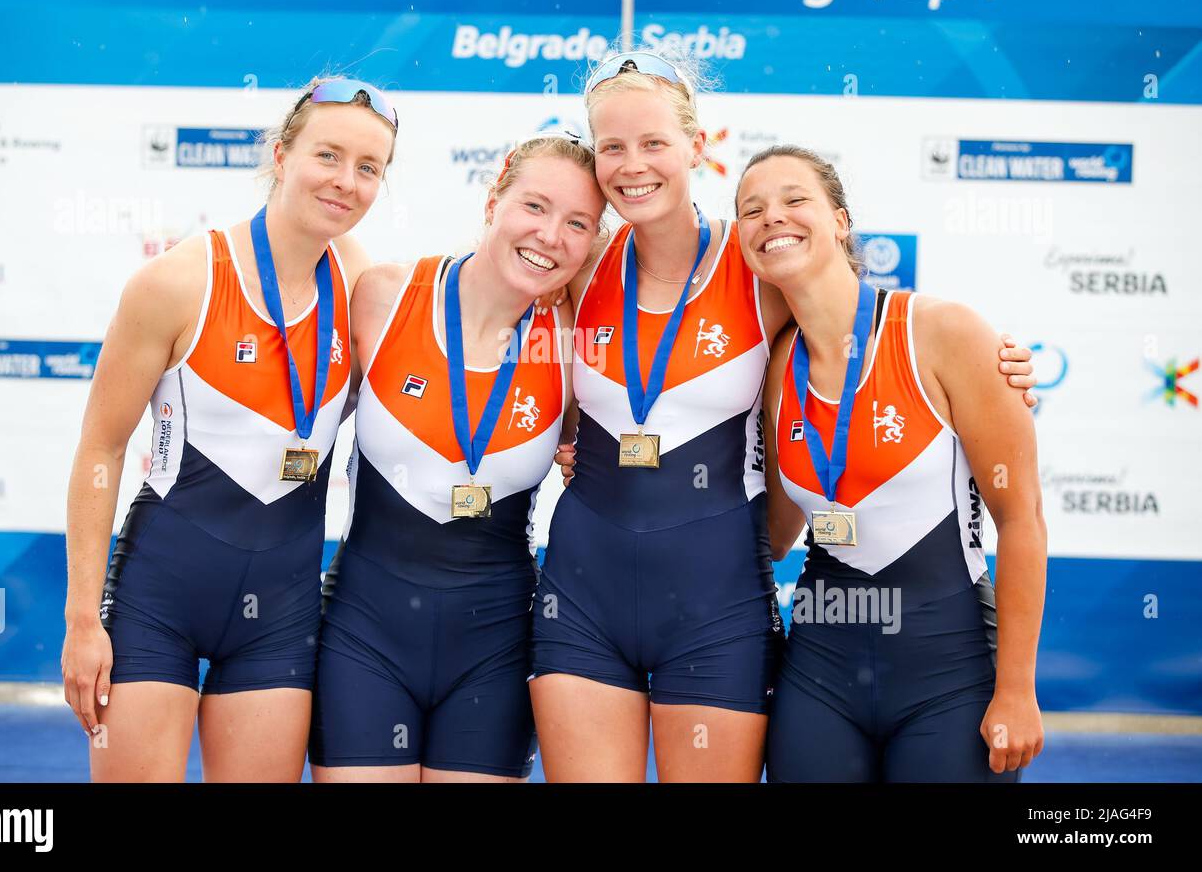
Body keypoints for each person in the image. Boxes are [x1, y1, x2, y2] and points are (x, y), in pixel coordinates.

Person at [533, 51, 1039, 782]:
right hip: (602, 597)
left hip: (737, 612)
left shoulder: (761, 274)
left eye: (652, 143)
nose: (632, 163)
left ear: (695, 147)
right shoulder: (582, 263)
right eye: (611, 145)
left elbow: (860, 336)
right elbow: (495, 338)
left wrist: (1001, 365)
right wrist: (565, 440)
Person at [61, 77, 396, 781]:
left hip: (281, 612)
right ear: (281, 153)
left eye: (369, 168)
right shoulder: (178, 282)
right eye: (328, 155)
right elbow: (101, 449)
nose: (346, 181)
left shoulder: (365, 289)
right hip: (160, 597)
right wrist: (82, 621)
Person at [738, 145, 1046, 781]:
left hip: (950, 673)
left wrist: (1017, 689)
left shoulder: (942, 332)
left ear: (841, 221)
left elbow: (1021, 521)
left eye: (795, 200)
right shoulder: (775, 367)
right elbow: (774, 534)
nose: (773, 217)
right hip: (819, 675)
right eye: (752, 210)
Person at [309, 134, 605, 782]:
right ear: (496, 193)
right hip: (366, 635)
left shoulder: (574, 342)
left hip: (494, 649)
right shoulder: (383, 297)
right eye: (535, 206)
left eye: (577, 223)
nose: (550, 235)